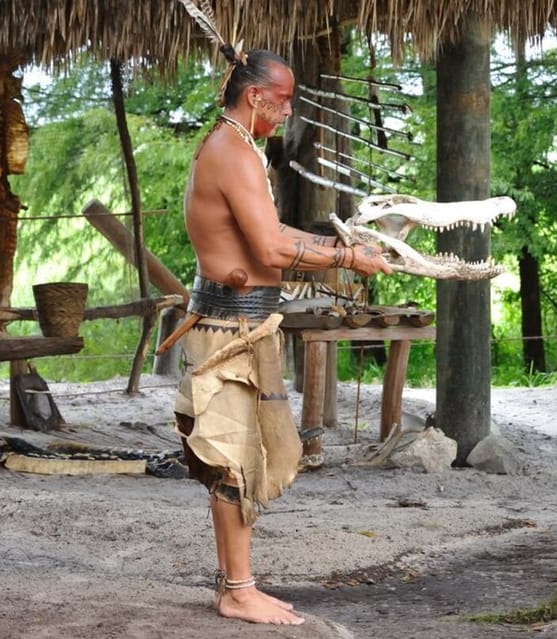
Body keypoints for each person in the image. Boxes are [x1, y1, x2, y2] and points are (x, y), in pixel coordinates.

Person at [174, 46, 392, 625]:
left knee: (244, 460)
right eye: (285, 99)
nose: (288, 110)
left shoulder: (240, 147)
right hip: (227, 329)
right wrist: (346, 257)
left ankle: (238, 584)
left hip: (244, 323)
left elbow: (273, 232)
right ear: (255, 96)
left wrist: (343, 248)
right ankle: (237, 590)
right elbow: (271, 251)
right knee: (232, 463)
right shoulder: (231, 151)